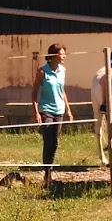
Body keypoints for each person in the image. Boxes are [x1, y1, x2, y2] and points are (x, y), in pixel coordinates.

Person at [32, 43, 73, 185]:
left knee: (55, 142)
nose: (64, 56)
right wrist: (36, 112)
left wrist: (68, 109)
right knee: (48, 139)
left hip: (59, 110)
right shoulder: (42, 72)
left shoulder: (63, 70)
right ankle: (47, 172)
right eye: (62, 54)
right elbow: (34, 92)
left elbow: (62, 90)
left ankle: (50, 170)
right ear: (54, 55)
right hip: (46, 110)